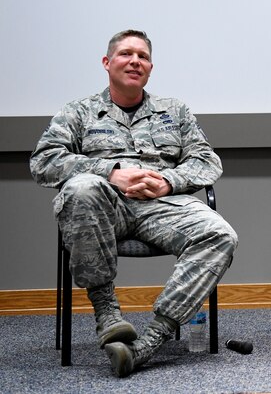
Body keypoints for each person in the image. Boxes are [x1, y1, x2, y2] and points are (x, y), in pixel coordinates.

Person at [30, 30, 237, 377]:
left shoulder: (175, 110)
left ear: (150, 68)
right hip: (104, 205)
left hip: (161, 205)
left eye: (142, 56)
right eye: (126, 54)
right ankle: (107, 313)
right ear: (107, 63)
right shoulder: (79, 112)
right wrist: (111, 172)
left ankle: (150, 341)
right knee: (81, 189)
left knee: (219, 234)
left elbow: (206, 160)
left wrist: (168, 181)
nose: (134, 61)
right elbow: (44, 161)